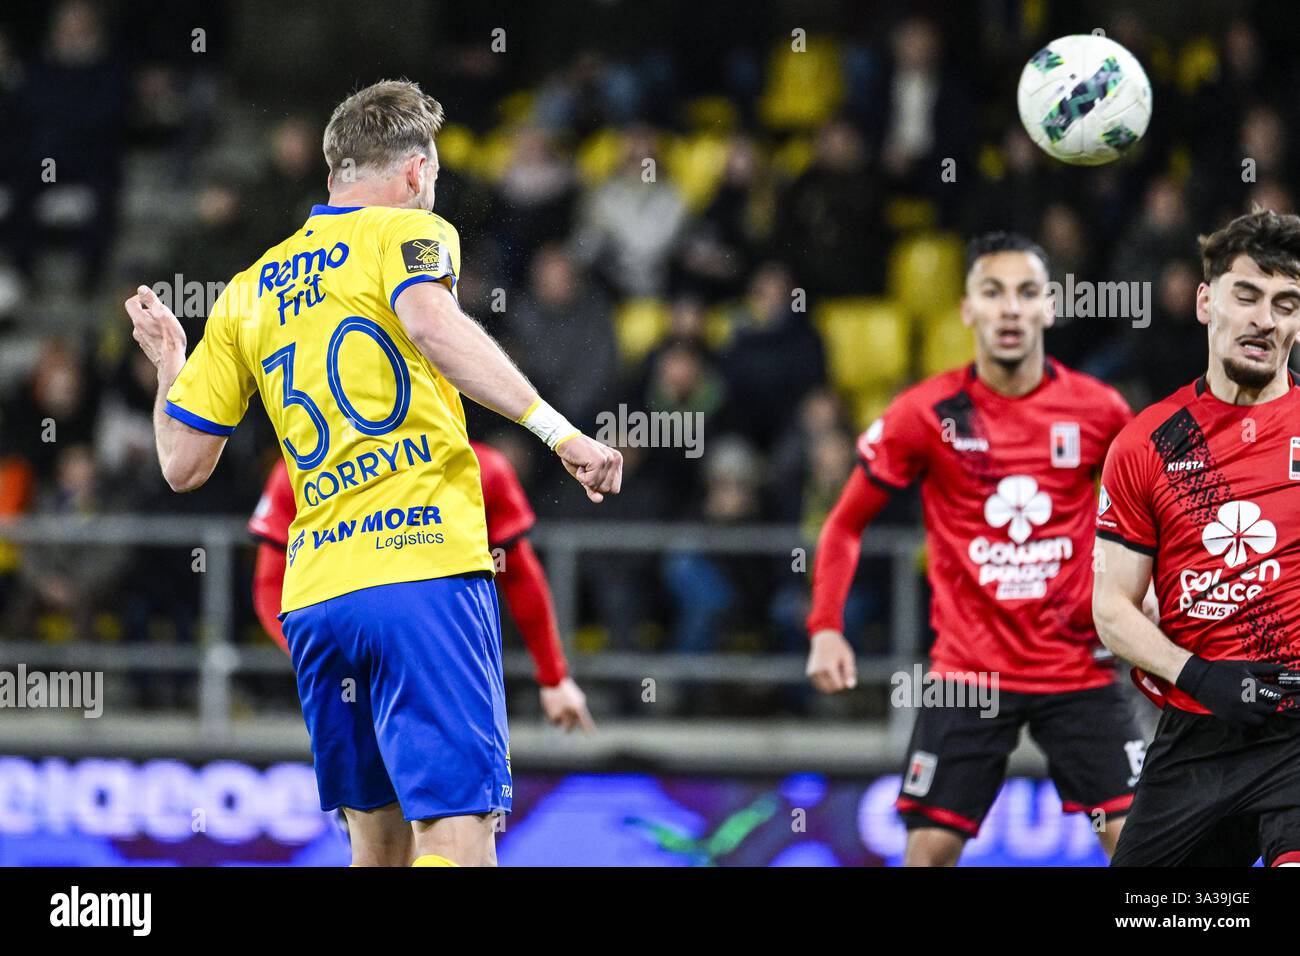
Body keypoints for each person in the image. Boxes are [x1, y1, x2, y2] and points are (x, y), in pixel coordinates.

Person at [124, 79, 622, 867]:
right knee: (457, 834)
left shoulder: (251, 289)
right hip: (422, 571)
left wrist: (170, 368)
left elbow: (181, 464)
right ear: (418, 172)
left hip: (319, 599)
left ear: (333, 172)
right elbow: (429, 321)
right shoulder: (406, 233)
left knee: (377, 849)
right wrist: (559, 433)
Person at [806, 232, 1143, 866]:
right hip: (968, 673)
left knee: (1138, 848)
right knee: (928, 854)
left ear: (1049, 307)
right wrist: (826, 626)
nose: (1009, 309)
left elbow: (1149, 520)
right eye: (993, 293)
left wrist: (1144, 600)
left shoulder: (1099, 411)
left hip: (1076, 666)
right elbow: (844, 524)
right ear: (967, 309)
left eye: (1025, 293)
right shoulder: (925, 414)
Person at [1094, 208, 1300, 866]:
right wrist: (1203, 677)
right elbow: (1111, 608)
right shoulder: (1147, 442)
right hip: (1194, 736)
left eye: (1287, 304)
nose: (1265, 320)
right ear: (1206, 303)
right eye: (1247, 296)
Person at [249, 450, 595, 732]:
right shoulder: (299, 471)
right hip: (349, 686)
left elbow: (518, 575)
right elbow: (270, 585)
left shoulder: (478, 469)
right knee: (367, 812)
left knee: (453, 809)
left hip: (445, 681)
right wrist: (323, 659)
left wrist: (554, 676)